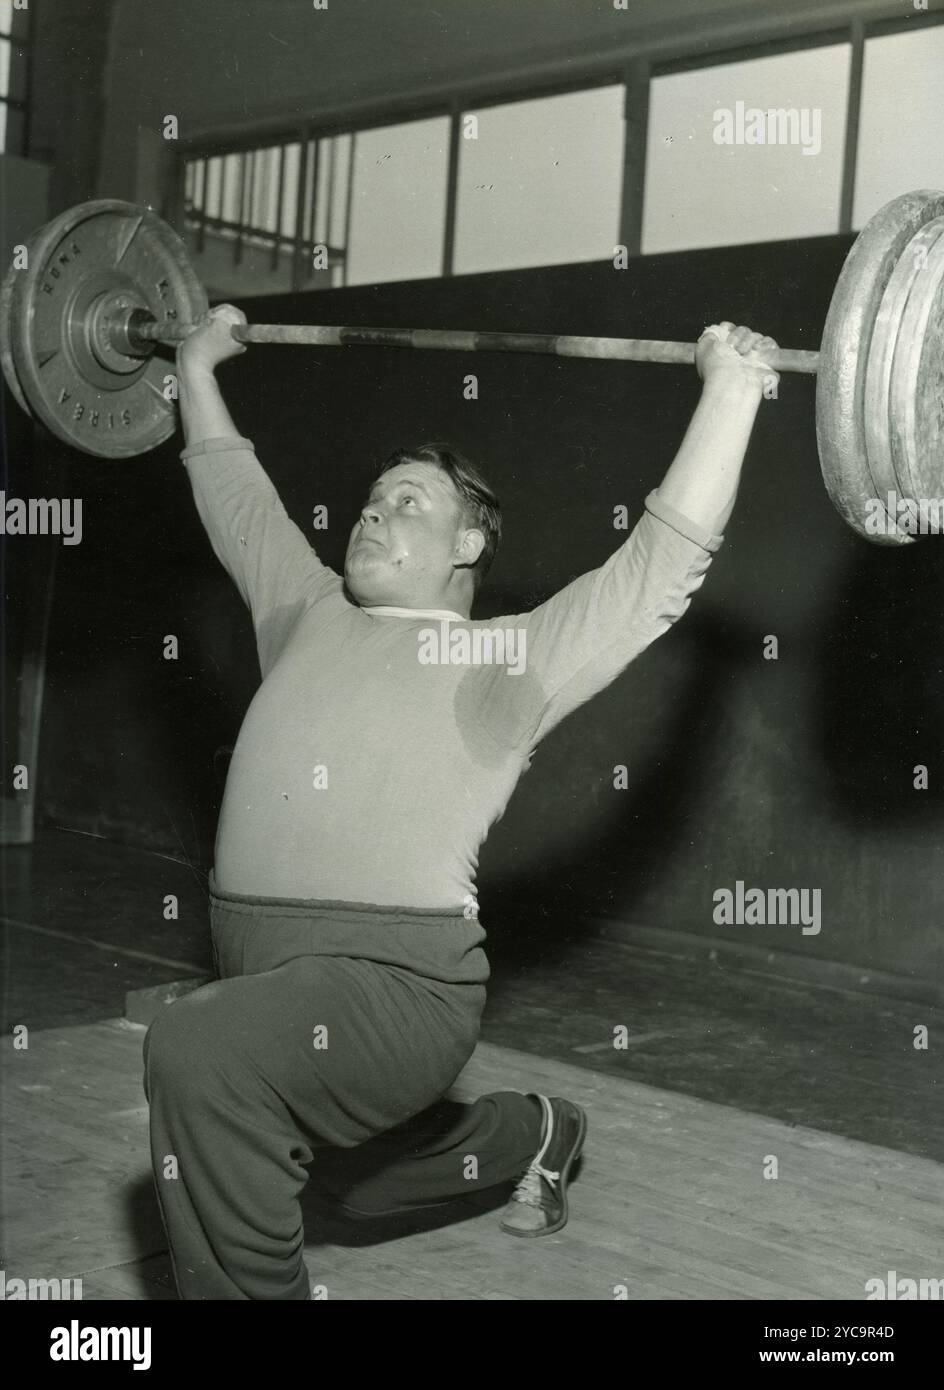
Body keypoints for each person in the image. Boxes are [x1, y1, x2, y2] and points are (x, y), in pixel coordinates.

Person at [142, 305, 778, 1299]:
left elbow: (657, 569)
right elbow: (234, 496)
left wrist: (730, 392)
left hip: (392, 986)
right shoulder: (303, 615)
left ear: (469, 542)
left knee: (197, 1052)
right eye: (366, 500)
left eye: (404, 502)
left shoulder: (504, 658)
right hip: (267, 976)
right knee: (343, 1187)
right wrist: (193, 363)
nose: (370, 513)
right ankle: (532, 1131)